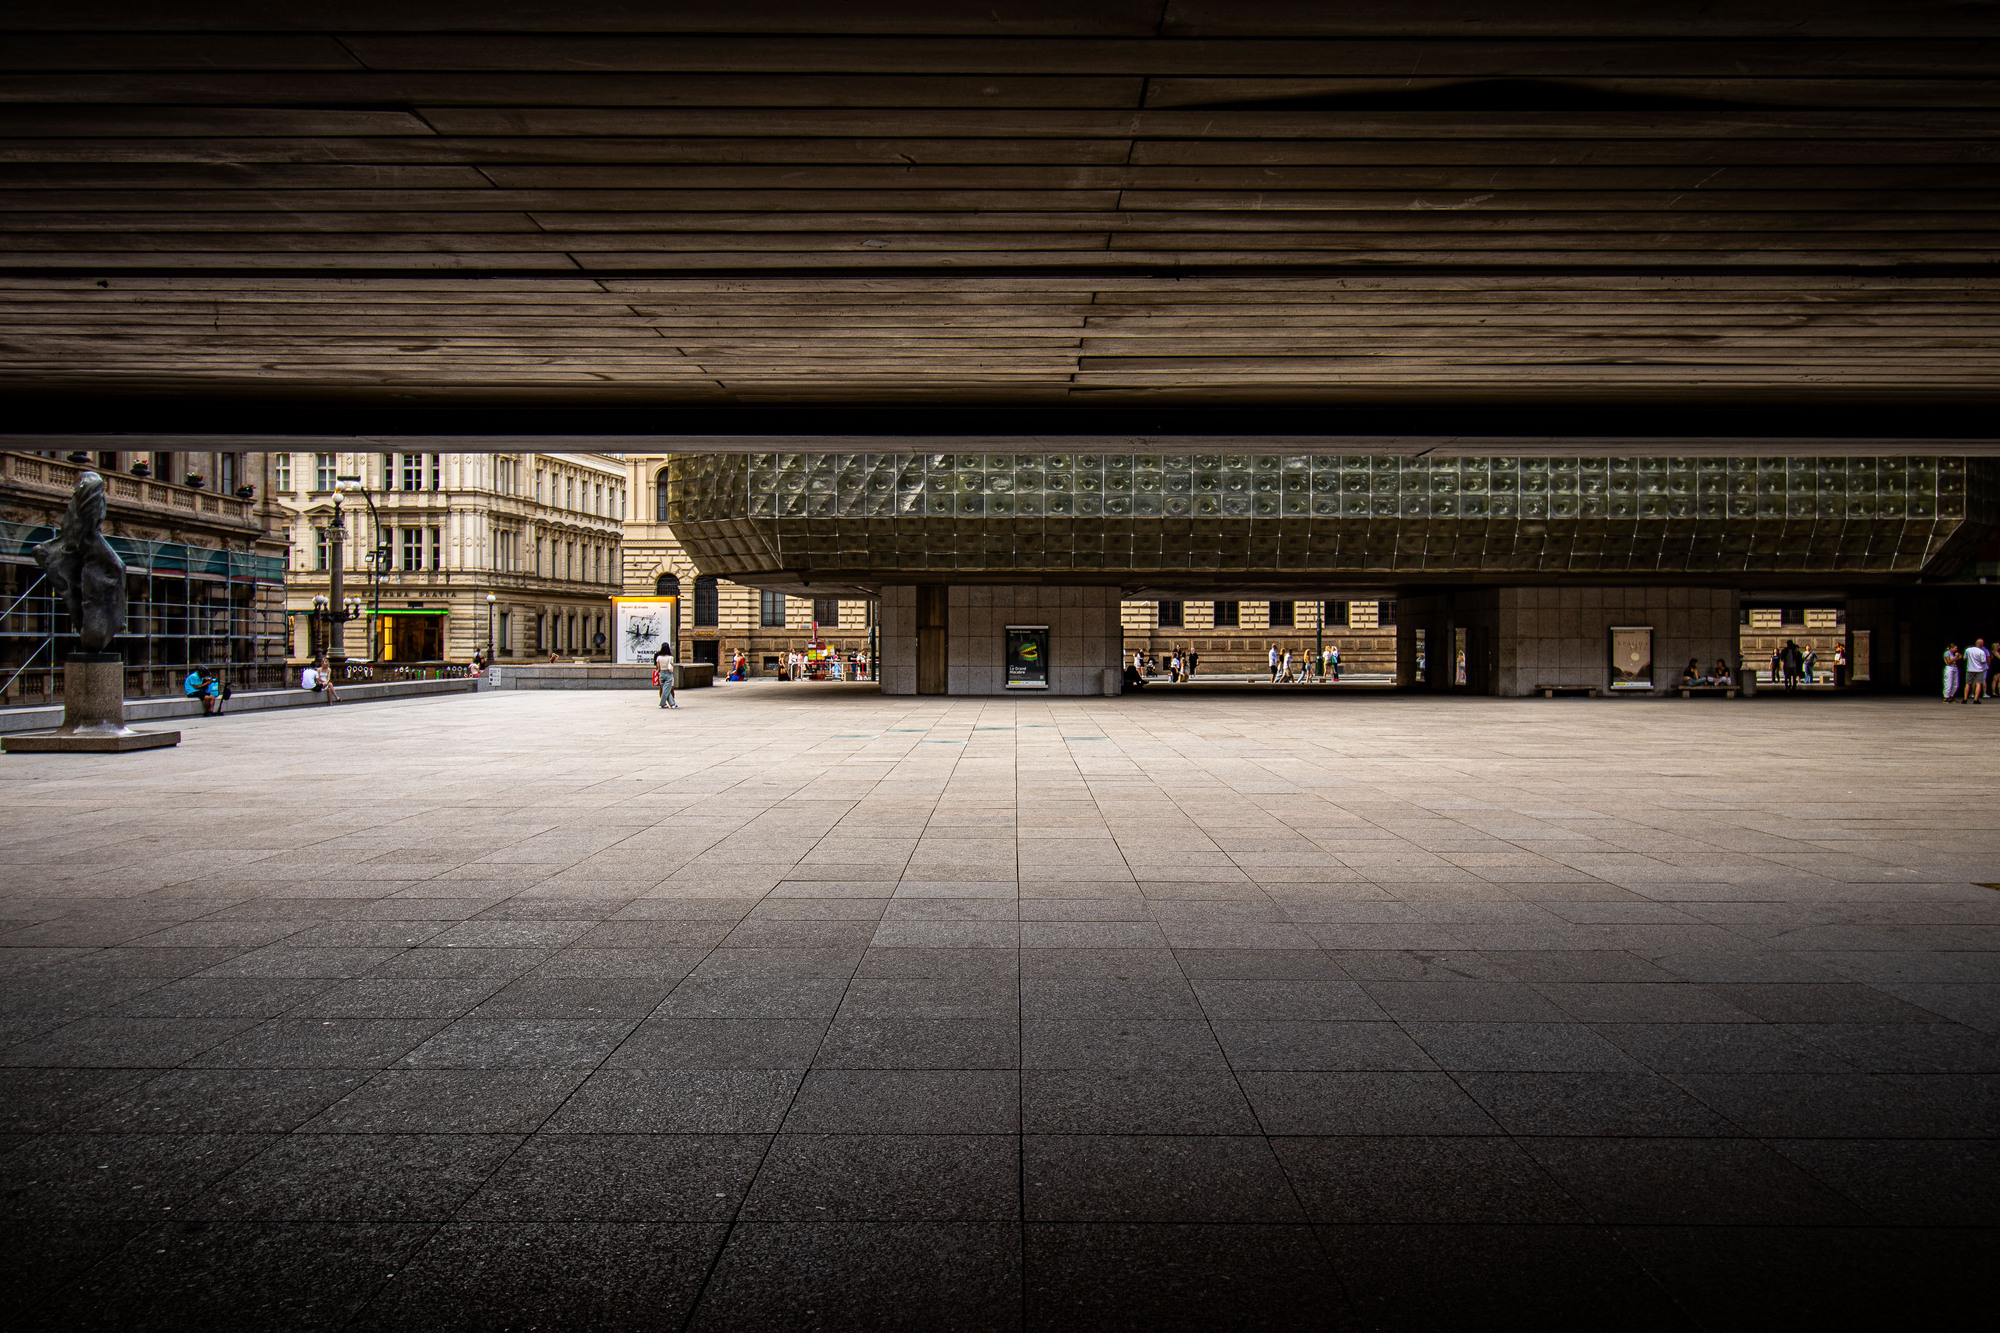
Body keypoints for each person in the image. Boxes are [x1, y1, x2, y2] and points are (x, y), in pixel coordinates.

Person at [653, 638, 678, 709]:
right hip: (668, 674)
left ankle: (668, 704)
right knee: (668, 689)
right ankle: (665, 704)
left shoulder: (659, 657)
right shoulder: (670, 657)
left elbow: (658, 667)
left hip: (662, 674)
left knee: (664, 689)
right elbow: (672, 666)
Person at [1966, 638, 1989, 704]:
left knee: (1968, 683)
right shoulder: (1983, 651)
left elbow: (1965, 658)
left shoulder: (1968, 650)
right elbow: (1984, 661)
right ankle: (1976, 699)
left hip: (1970, 668)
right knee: (1979, 683)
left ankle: (1966, 698)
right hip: (1979, 669)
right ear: (1981, 644)